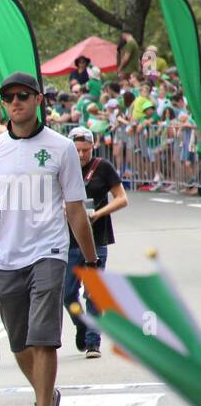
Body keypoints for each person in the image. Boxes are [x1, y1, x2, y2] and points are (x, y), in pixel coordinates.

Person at [0, 72, 99, 406]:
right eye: (9, 97)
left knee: (43, 337)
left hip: (49, 252)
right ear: (3, 104)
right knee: (20, 342)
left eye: (23, 95)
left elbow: (75, 209)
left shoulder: (61, 147)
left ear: (38, 99)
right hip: (7, 255)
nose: (16, 102)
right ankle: (48, 394)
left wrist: (90, 260)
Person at [66, 126, 127, 358]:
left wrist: (99, 212)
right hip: (69, 239)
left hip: (97, 236)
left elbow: (122, 198)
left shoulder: (103, 167)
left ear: (93, 147)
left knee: (93, 291)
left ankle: (93, 341)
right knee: (68, 293)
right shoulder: (63, 167)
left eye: (86, 150)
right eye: (77, 150)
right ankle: (81, 324)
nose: (81, 155)